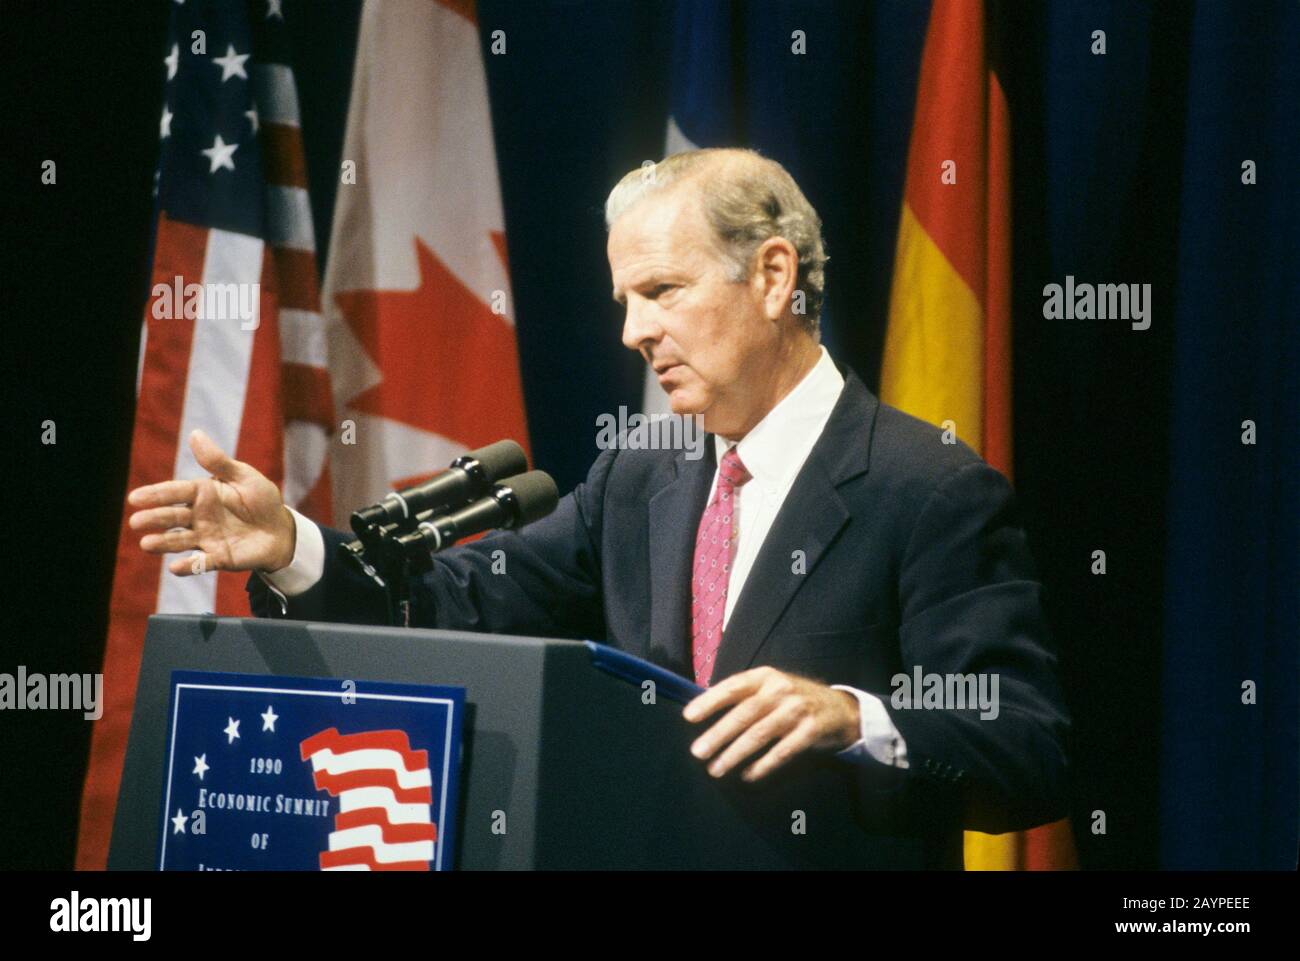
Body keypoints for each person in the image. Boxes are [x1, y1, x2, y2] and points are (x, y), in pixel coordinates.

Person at [128, 148, 1070, 867]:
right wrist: (291, 545)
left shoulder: (929, 487)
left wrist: (849, 715)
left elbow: (1026, 745)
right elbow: (464, 602)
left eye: (663, 291)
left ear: (775, 276)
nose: (633, 331)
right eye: (625, 299)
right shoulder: (641, 476)